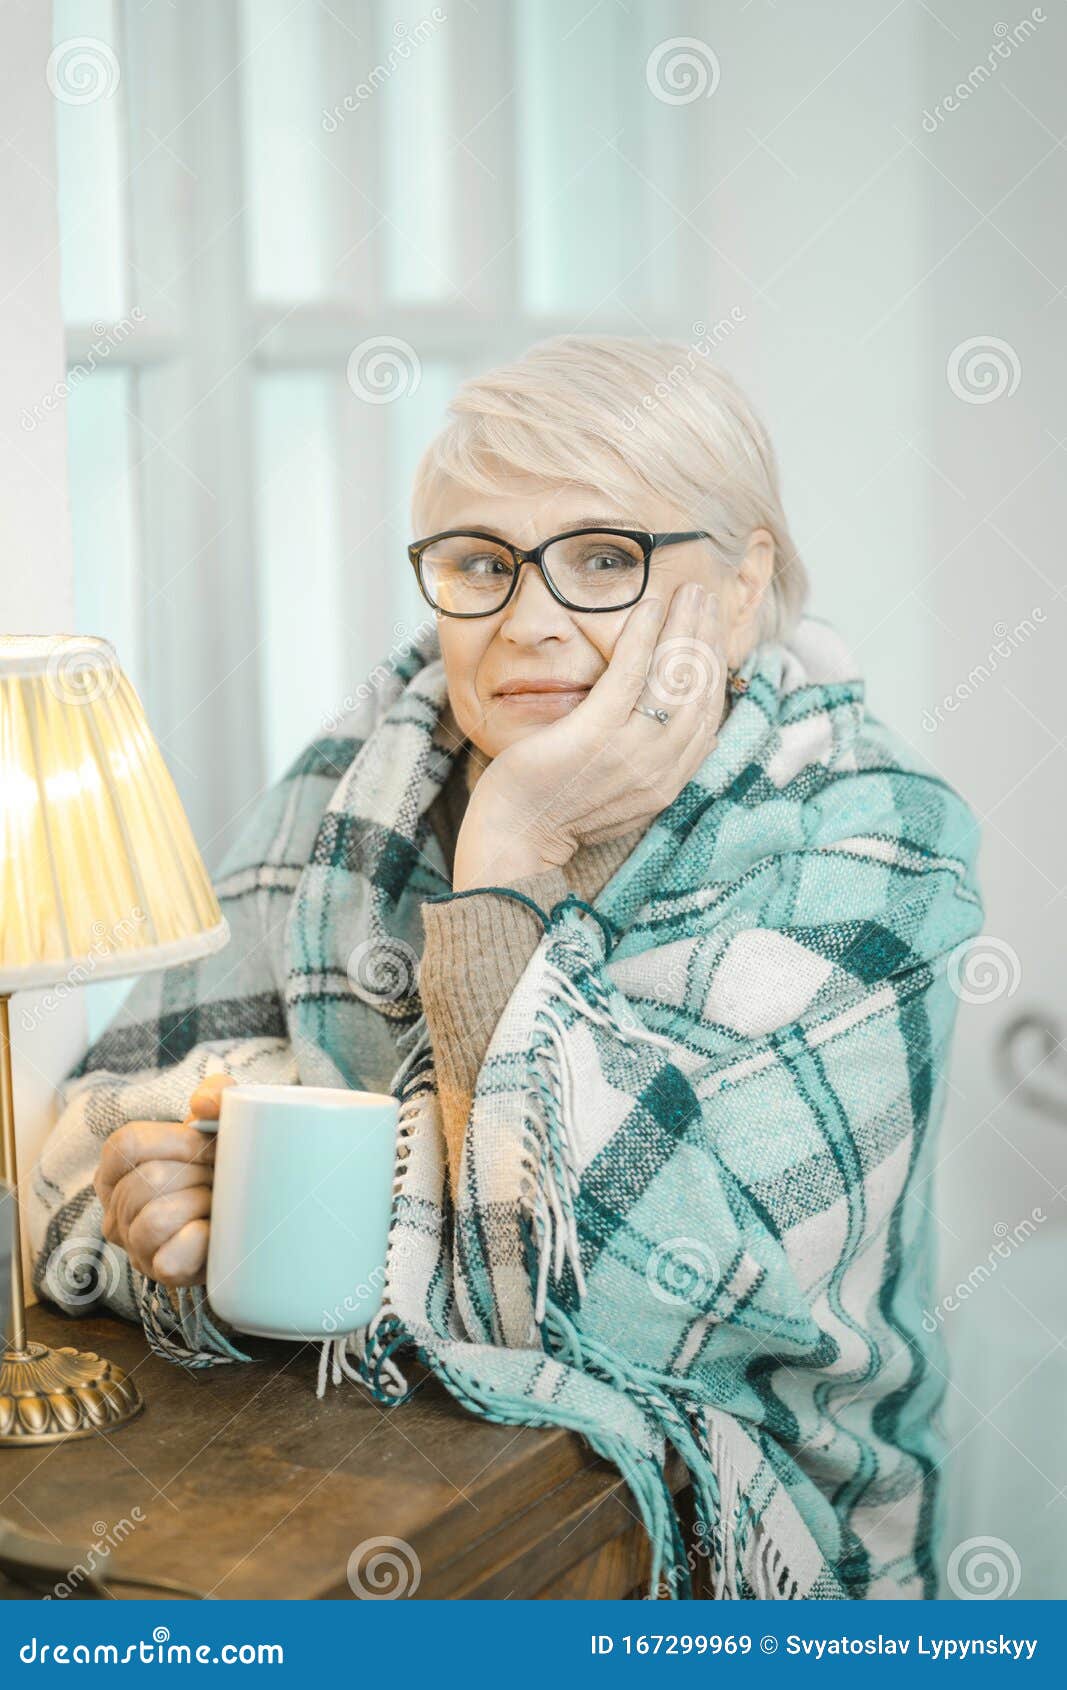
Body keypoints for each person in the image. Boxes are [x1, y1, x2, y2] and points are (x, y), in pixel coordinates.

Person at [29, 336, 983, 1598]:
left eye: (604, 558)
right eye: (481, 562)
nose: (528, 619)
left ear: (742, 586)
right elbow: (78, 1143)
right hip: (363, 1486)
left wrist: (505, 865)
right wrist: (185, 1209)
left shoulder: (875, 833)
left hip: (744, 1551)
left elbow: (652, 1307)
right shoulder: (365, 767)